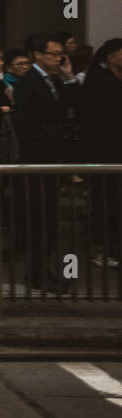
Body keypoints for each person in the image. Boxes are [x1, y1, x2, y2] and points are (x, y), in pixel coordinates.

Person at [13, 34, 71, 293]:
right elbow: (26, 125)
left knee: (48, 220)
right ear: (38, 54)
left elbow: (67, 111)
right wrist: (50, 149)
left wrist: (69, 79)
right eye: (54, 53)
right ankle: (37, 274)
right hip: (37, 160)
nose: (58, 57)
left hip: (50, 159)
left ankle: (44, 270)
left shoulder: (54, 81)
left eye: (60, 53)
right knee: (39, 219)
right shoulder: (28, 83)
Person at [81, 38, 122, 270]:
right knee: (105, 200)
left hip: (116, 149)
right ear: (110, 56)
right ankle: (101, 246)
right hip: (102, 149)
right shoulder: (98, 80)